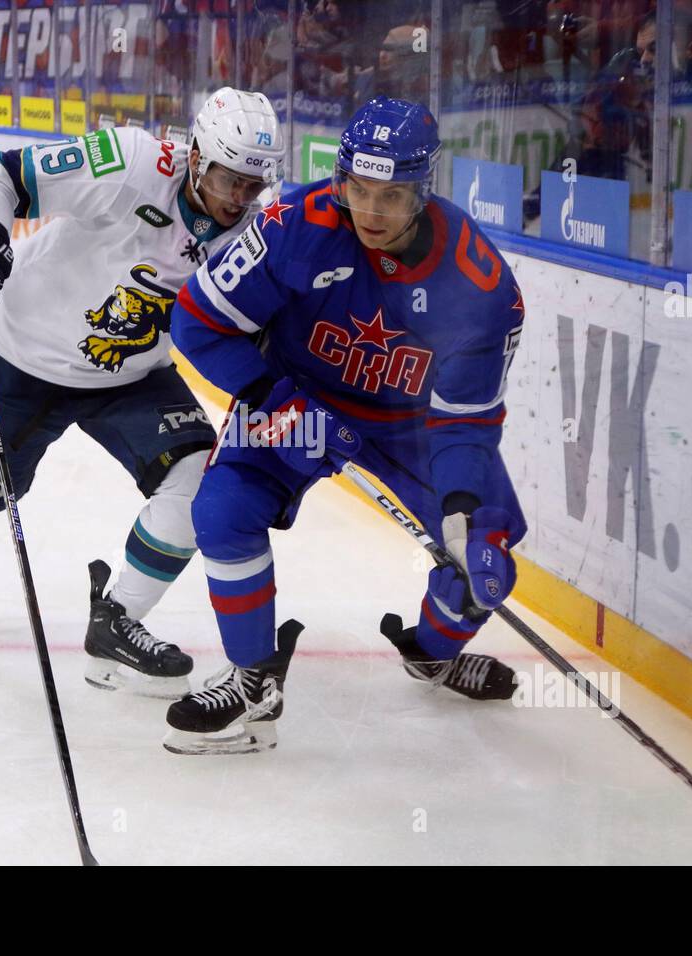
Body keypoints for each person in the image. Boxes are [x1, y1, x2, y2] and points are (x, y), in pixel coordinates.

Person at [0, 88, 285, 699]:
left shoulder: (261, 227)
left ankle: (116, 618)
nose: (236, 198)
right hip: (22, 355)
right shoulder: (132, 162)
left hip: (129, 375)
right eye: (227, 178)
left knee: (201, 480)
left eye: (250, 187)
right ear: (196, 154)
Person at [164, 96, 529, 753]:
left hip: (409, 428)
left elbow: (466, 427)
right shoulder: (292, 223)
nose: (369, 211)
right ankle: (252, 677)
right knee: (220, 512)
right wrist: (270, 396)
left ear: (424, 189)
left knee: (488, 553)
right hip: (294, 401)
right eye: (356, 189)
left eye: (390, 195)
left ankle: (432, 652)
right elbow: (197, 322)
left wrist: (464, 508)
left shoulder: (481, 285)